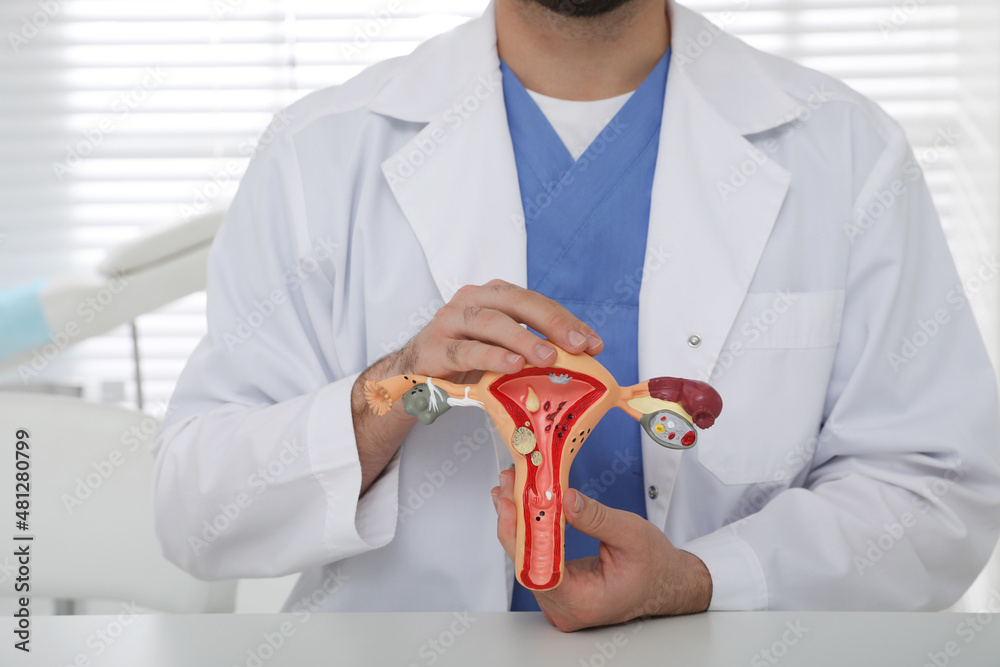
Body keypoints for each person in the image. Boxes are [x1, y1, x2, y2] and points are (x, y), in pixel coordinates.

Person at [150, 0, 1000, 630]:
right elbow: (195, 507)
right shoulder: (320, 154)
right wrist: (387, 395)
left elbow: (937, 490)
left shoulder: (845, 152)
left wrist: (703, 577)